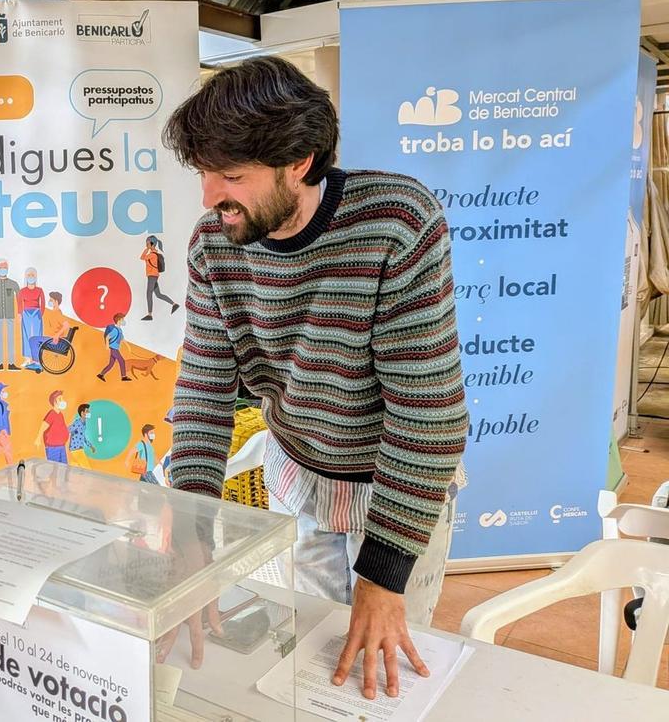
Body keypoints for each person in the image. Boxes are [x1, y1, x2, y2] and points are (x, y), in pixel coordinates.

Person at [161, 56, 468, 698]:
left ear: (298, 163)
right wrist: (192, 532)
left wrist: (382, 580)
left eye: (231, 175)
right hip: (296, 473)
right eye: (204, 173)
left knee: (378, 673)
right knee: (305, 656)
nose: (210, 196)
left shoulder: (397, 223)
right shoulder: (214, 244)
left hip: (393, 488)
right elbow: (203, 394)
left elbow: (428, 417)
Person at [0, 259, 20, 371]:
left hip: (10, 315)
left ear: (8, 268)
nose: (2, 269)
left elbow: (19, 299)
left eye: (4, 267)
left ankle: (11, 363)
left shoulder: (14, 284)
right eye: (0, 267)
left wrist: (19, 312)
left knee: (11, 338)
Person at [140, 236, 179, 321]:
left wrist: (147, 249)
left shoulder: (152, 255)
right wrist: (148, 248)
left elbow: (142, 257)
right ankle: (174, 304)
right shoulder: (154, 254)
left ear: (152, 244)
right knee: (158, 294)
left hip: (152, 276)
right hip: (154, 275)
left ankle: (150, 314)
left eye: (147, 243)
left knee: (148, 293)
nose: (146, 245)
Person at [19, 267, 46, 369]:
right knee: (26, 336)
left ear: (36, 277)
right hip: (25, 313)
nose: (31, 277)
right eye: (29, 275)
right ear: (26, 277)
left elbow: (42, 303)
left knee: (37, 336)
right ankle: (27, 359)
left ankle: (37, 360)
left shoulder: (39, 290)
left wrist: (40, 313)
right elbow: (19, 303)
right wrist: (19, 314)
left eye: (33, 275)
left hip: (36, 313)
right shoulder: (22, 291)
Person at [35, 390, 71, 463]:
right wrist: (38, 438)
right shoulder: (52, 414)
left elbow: (61, 427)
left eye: (62, 399)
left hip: (61, 446)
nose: (62, 401)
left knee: (64, 467)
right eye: (60, 399)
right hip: (53, 447)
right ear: (55, 402)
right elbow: (43, 426)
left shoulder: (60, 414)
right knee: (54, 467)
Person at [97, 313, 131, 382]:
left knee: (111, 364)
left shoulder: (120, 330)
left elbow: (122, 339)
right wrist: (107, 345)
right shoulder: (115, 330)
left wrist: (128, 346)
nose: (124, 321)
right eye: (122, 319)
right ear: (119, 320)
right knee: (122, 361)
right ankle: (123, 376)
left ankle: (101, 374)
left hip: (115, 349)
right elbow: (107, 337)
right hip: (114, 349)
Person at [67, 403, 97, 469]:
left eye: (89, 411)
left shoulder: (84, 423)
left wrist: (91, 446)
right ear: (82, 413)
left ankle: (73, 464)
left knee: (80, 466)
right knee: (87, 468)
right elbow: (68, 430)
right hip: (76, 449)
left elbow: (83, 437)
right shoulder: (78, 422)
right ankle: (72, 465)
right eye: (87, 411)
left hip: (79, 448)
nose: (89, 413)